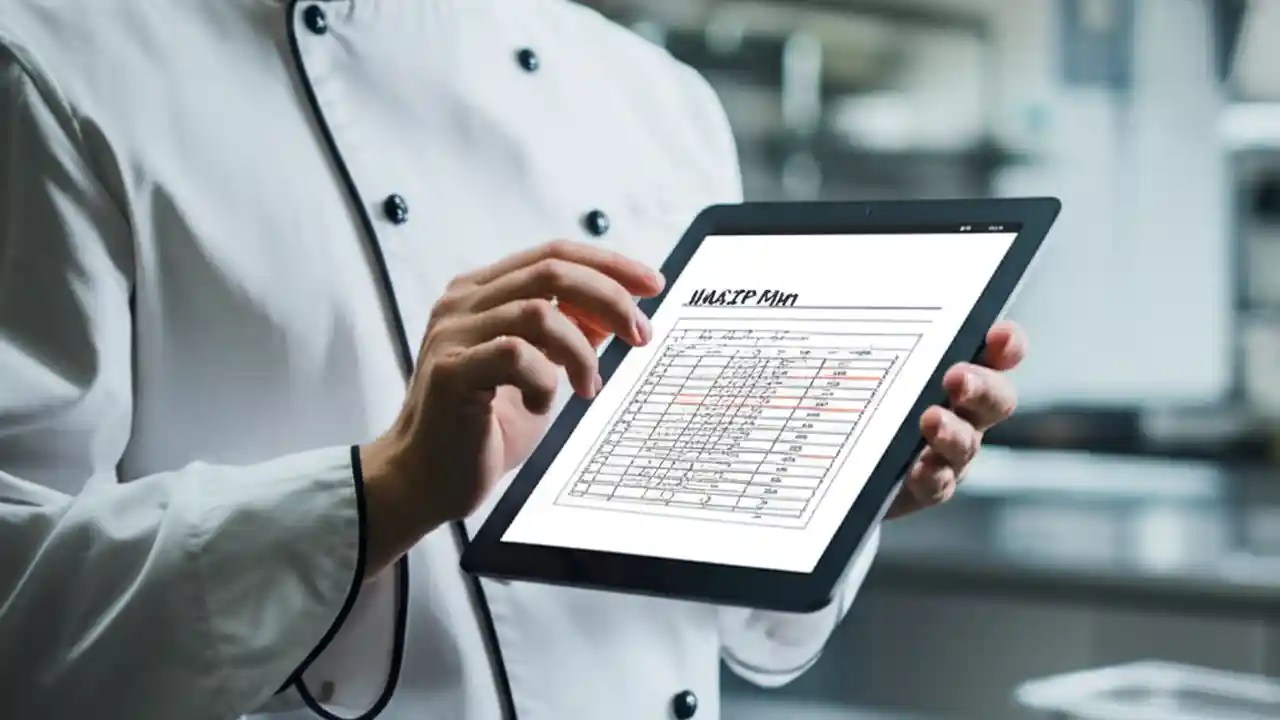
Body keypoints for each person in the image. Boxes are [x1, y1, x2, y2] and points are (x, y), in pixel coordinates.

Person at [0, 1, 1025, 718]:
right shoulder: (59, 62)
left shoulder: (657, 97)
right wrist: (385, 488)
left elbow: (735, 634)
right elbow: (22, 623)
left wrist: (834, 479)